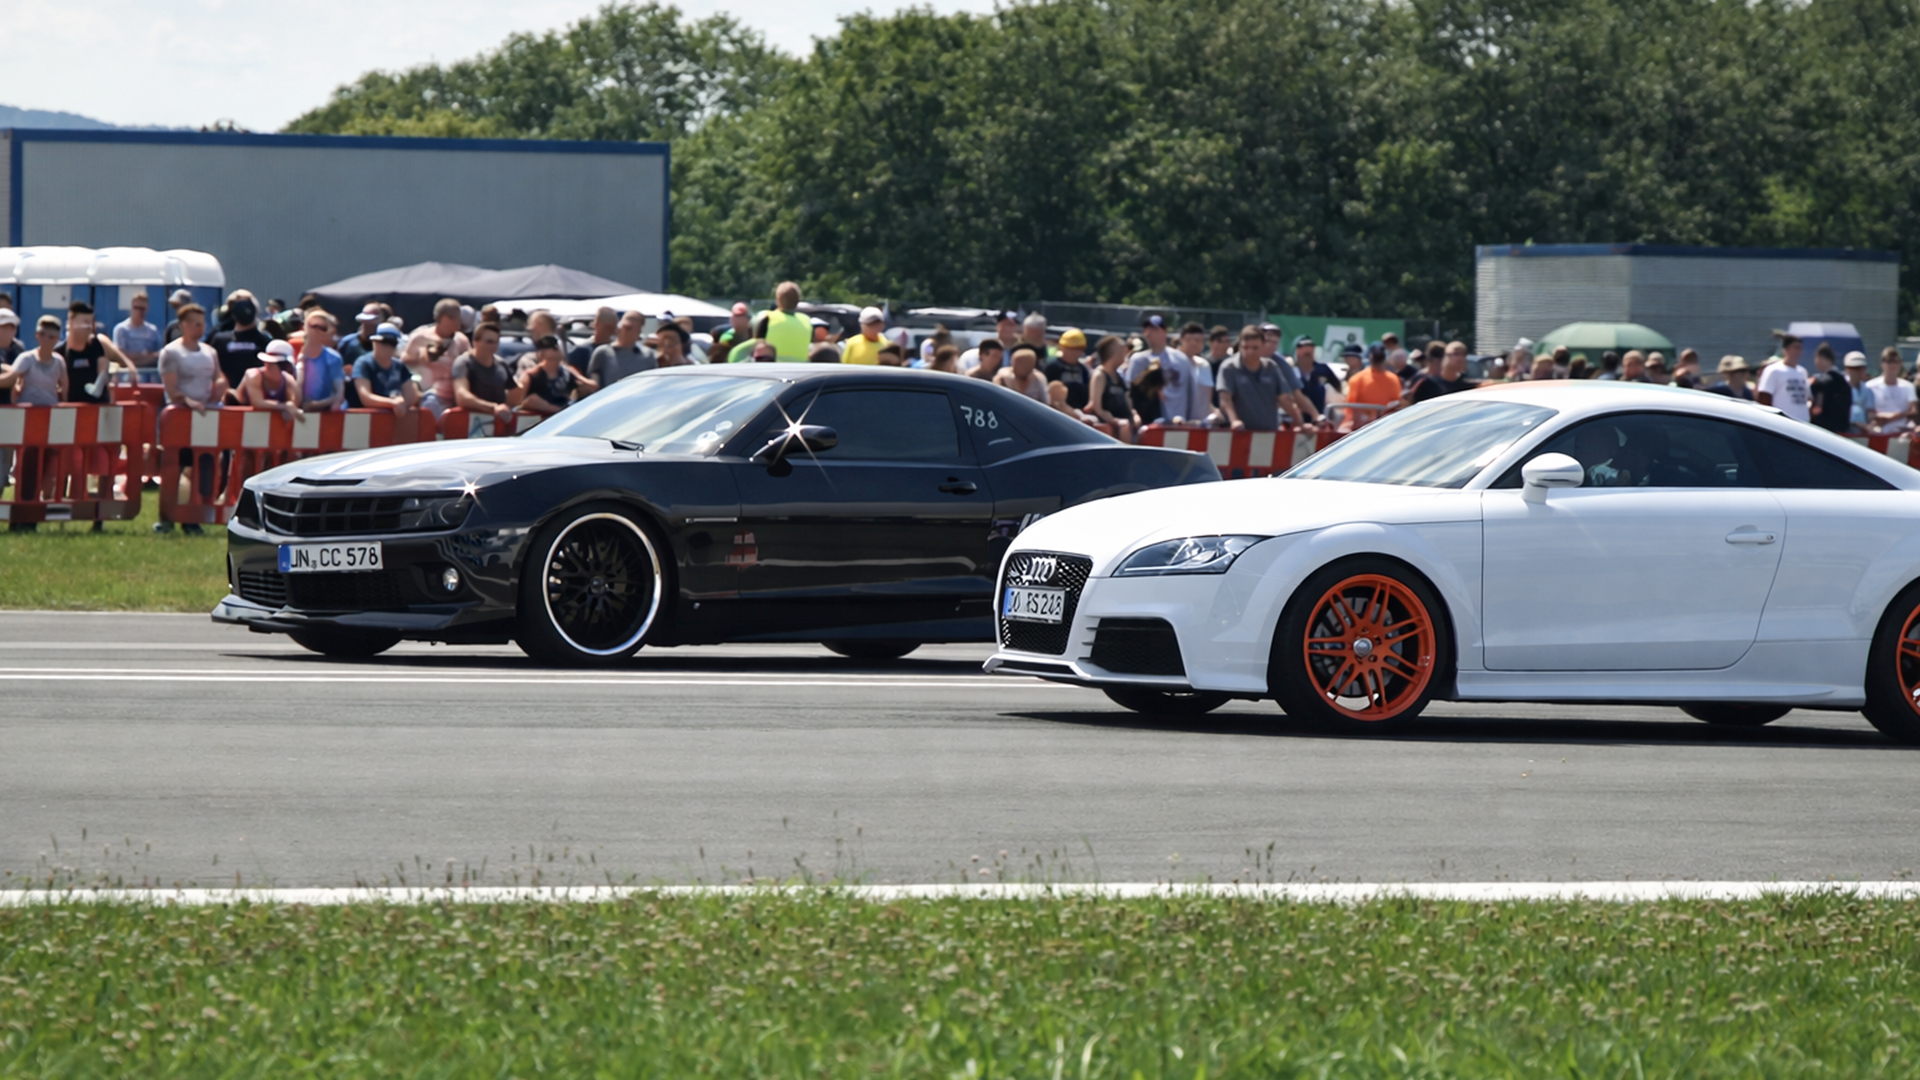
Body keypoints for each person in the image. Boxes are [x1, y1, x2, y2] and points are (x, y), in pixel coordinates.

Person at [1125, 313, 1208, 424]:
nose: (1150, 333)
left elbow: (1191, 391)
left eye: (1155, 330)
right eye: (1147, 329)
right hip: (1148, 420)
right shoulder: (1139, 359)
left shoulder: (1181, 359)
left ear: (1164, 331)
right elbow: (1129, 390)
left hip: (1177, 420)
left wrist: (1192, 418)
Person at [451, 323, 527, 436]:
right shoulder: (464, 363)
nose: (493, 346)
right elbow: (462, 397)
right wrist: (493, 408)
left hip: (498, 426)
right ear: (476, 342)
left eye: (496, 342)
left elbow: (515, 394)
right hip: (470, 426)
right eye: (489, 342)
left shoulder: (501, 364)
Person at [56, 302, 133, 404]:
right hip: (71, 411)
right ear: (71, 323)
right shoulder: (59, 353)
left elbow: (128, 366)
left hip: (98, 410)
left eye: (91, 322)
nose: (89, 327)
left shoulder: (99, 344)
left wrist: (117, 374)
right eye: (85, 322)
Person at [1217, 331, 1290, 432]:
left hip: (1269, 434)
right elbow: (1225, 400)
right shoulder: (1229, 367)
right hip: (1238, 435)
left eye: (1255, 348)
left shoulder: (1271, 367)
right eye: (1246, 347)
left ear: (1262, 347)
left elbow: (1284, 399)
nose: (1250, 352)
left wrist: (1298, 421)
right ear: (1240, 347)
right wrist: (1234, 420)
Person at [207, 289, 272, 400]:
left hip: (257, 401)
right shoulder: (219, 340)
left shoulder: (265, 340)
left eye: (247, 304)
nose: (244, 309)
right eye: (238, 304)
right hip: (225, 402)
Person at [516, 335, 597, 414]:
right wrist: (555, 409)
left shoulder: (567, 371)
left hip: (565, 415)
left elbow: (592, 387)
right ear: (540, 353)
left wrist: (580, 383)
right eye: (551, 346)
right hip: (540, 420)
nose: (556, 348)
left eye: (555, 345)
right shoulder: (532, 375)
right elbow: (519, 403)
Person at [352, 324, 420, 417]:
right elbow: (366, 397)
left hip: (396, 420)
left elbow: (411, 396)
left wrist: (402, 404)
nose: (388, 347)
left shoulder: (399, 366)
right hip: (366, 420)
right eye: (384, 342)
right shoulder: (363, 363)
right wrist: (391, 403)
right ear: (374, 342)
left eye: (392, 343)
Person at [1085, 335, 1136, 443]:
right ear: (1114, 353)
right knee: (1125, 426)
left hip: (1127, 425)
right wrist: (1115, 421)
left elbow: (1128, 402)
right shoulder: (1100, 375)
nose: (1125, 353)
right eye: (1122, 349)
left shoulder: (1120, 377)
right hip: (1111, 428)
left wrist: (1135, 415)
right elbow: (1096, 407)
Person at [294, 310, 347, 413]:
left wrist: (314, 405)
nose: (317, 330)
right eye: (313, 326)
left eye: (322, 328)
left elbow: (339, 395)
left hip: (326, 414)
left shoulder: (333, 358)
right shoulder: (295, 351)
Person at [588, 311, 659, 388]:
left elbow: (652, 384)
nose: (624, 331)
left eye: (629, 328)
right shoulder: (603, 352)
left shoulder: (648, 355)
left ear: (639, 331)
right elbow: (593, 383)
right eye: (623, 326)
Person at [238, 341, 304, 422]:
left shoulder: (288, 379)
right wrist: (284, 406)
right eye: (268, 362)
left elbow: (296, 403)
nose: (268, 365)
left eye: (286, 366)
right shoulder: (253, 375)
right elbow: (258, 403)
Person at [1342, 341, 1403, 427]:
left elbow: (1396, 404)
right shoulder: (1357, 379)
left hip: (1385, 426)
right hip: (1361, 428)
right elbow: (1350, 410)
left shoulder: (1393, 379)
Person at [1756, 334, 1811, 421]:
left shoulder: (1802, 372)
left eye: (1800, 348)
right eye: (1795, 348)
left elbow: (1807, 398)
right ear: (1786, 349)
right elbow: (1764, 397)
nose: (1798, 351)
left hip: (1802, 421)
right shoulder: (1774, 370)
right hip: (1783, 422)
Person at [753, 282, 812, 362]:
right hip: (800, 371)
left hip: (771, 370)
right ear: (798, 300)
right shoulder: (807, 321)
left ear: (777, 299)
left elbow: (753, 345)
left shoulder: (766, 317)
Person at [112, 292, 163, 382]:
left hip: (150, 375)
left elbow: (158, 356)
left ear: (147, 309)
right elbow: (121, 357)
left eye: (142, 308)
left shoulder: (152, 330)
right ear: (131, 308)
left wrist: (134, 358)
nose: (139, 311)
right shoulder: (121, 329)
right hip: (126, 375)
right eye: (136, 308)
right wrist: (146, 356)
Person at [1864, 348, 1916, 435]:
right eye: (1888, 361)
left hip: (1902, 431)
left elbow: (1914, 411)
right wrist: (1880, 417)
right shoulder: (1870, 386)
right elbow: (1864, 409)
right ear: (1881, 363)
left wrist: (1895, 416)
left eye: (1895, 361)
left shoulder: (1908, 386)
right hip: (1877, 430)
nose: (1891, 365)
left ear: (1900, 363)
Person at [1404, 341, 1474, 403]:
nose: (1460, 358)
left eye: (1463, 355)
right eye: (1455, 354)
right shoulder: (1424, 382)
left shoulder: (1465, 382)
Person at [1807, 343, 1853, 435]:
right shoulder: (1845, 384)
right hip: (1842, 433)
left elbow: (1817, 409)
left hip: (1822, 433)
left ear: (1819, 358)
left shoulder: (1821, 383)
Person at [1292, 338, 1344, 417]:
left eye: (1309, 354)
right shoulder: (1291, 372)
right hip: (1298, 415)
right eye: (1305, 354)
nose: (1306, 357)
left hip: (1320, 415)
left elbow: (1337, 387)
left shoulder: (1323, 369)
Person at [1043, 329, 1091, 407]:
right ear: (1061, 347)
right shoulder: (1052, 368)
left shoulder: (1084, 371)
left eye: (1077, 349)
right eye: (1069, 348)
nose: (1073, 352)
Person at [570, 307, 619, 372]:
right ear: (596, 324)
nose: (611, 330)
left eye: (613, 327)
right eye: (607, 327)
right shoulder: (582, 350)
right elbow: (571, 371)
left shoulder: (617, 350)